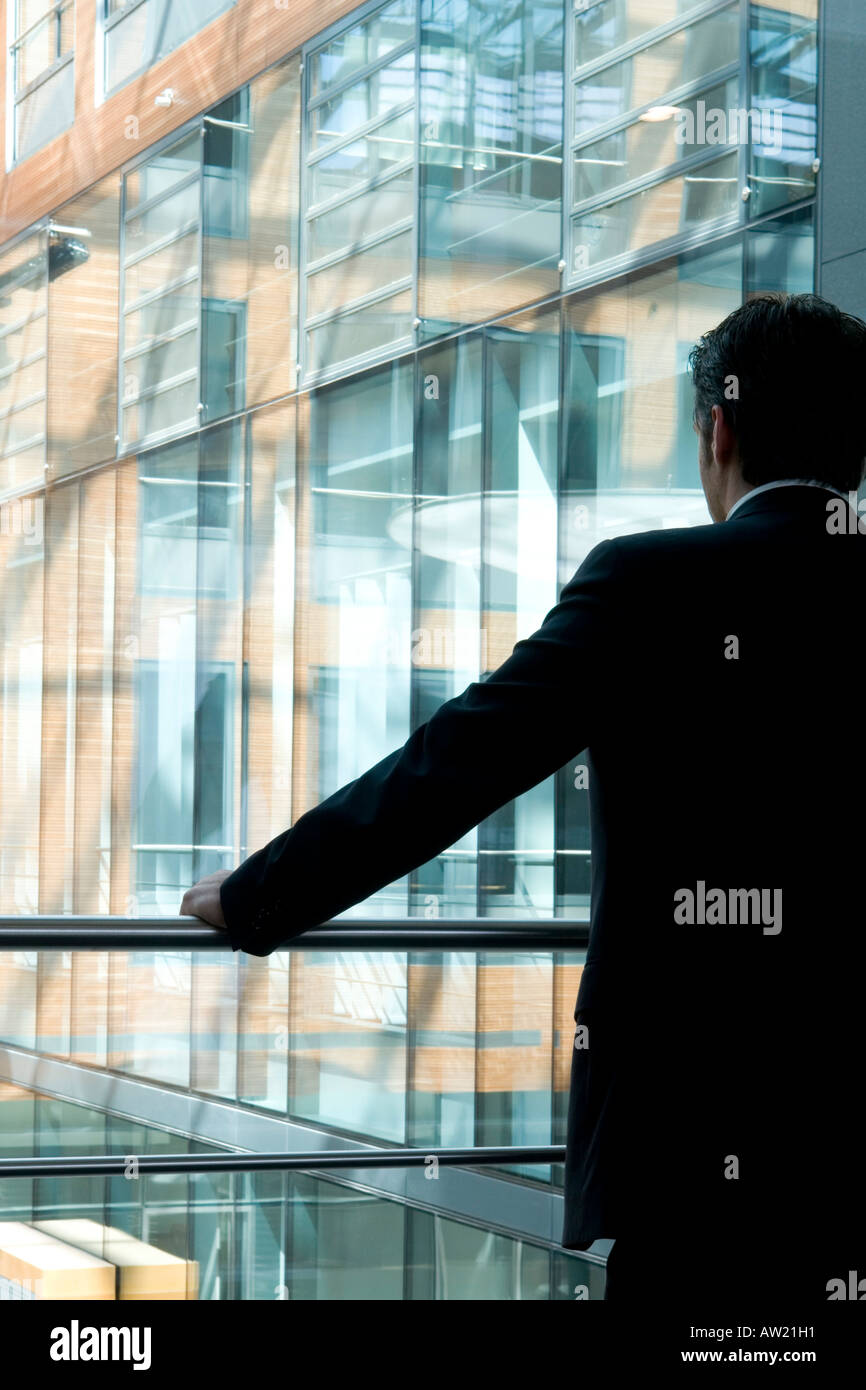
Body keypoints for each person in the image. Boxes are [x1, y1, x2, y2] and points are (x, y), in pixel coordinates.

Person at [181, 293, 866, 1308]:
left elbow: (452, 765)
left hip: (691, 1134)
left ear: (716, 429)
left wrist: (255, 895)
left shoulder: (650, 582)